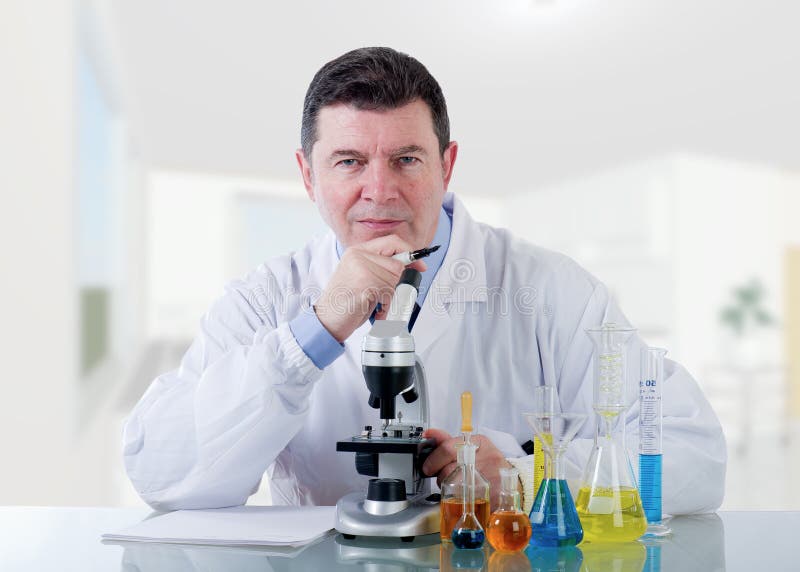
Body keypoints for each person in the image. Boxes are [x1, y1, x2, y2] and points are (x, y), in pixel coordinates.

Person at [123, 47, 726, 514]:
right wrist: (314, 333)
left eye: (407, 159)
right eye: (349, 161)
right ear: (307, 174)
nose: (379, 192)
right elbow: (164, 473)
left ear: (448, 164)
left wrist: (527, 476)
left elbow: (695, 456)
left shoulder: (548, 290)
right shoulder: (265, 300)